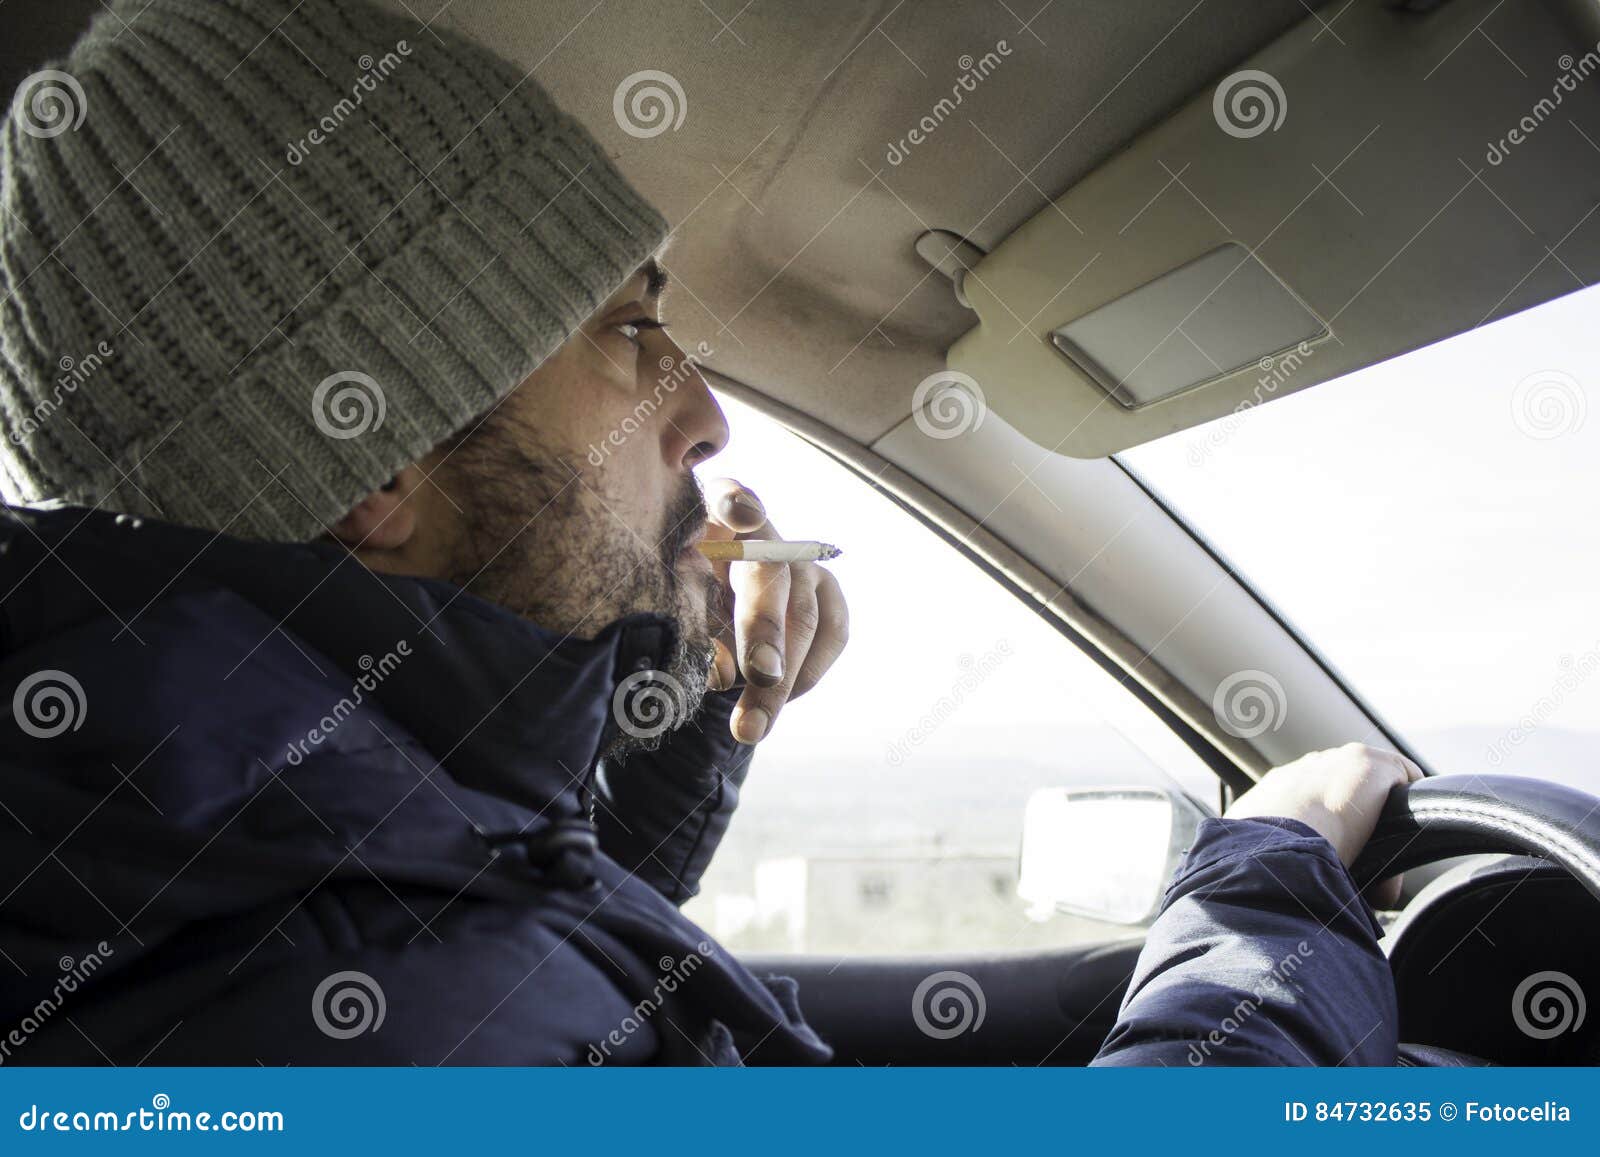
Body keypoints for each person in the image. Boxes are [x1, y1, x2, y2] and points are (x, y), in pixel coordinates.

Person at [0, 0, 1410, 1065]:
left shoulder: (217, 869)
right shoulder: (406, 1031)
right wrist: (1265, 880)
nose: (707, 416)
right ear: (378, 461)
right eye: (628, 333)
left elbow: (490, 925)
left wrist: (678, 721)